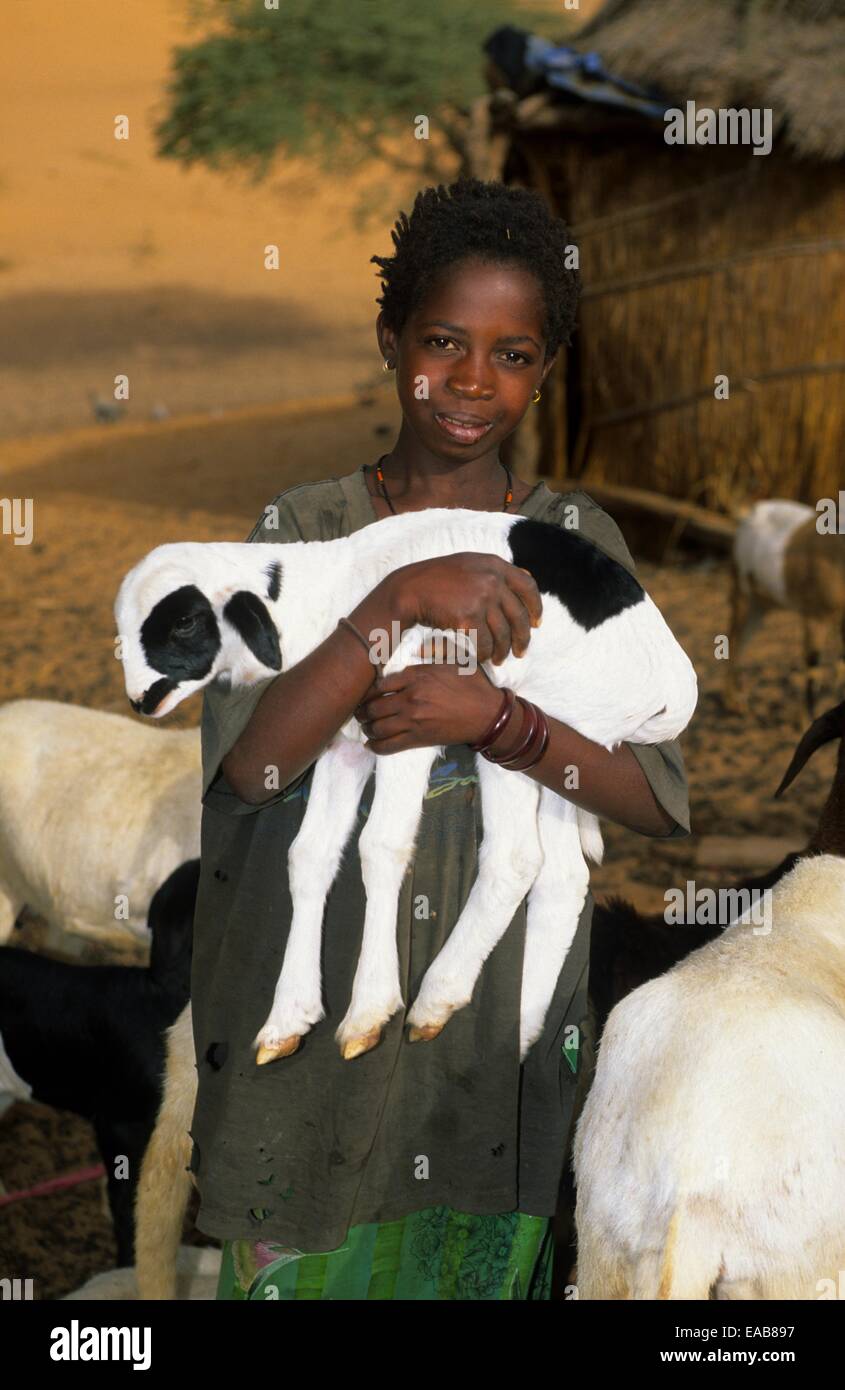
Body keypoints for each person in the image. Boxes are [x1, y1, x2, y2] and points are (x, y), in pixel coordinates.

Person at [191, 178, 691, 1301]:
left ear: (543, 371)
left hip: (488, 1057)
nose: (472, 381)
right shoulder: (304, 532)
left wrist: (502, 723)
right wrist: (394, 602)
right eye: (443, 343)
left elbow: (654, 796)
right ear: (390, 342)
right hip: (313, 1043)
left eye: (512, 354)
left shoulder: (569, 543)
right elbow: (249, 770)